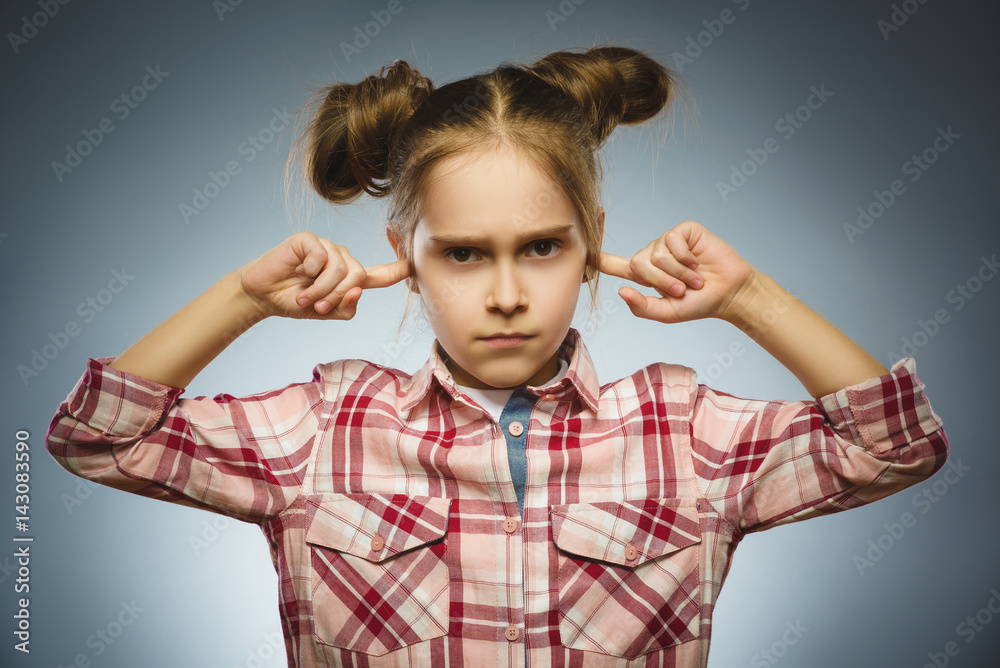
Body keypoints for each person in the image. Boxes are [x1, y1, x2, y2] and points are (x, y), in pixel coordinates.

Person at [46, 46, 949, 667]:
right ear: (407, 252)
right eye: (465, 252)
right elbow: (97, 439)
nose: (507, 294)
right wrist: (242, 298)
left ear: (594, 240)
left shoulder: (686, 434)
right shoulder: (320, 431)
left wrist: (751, 297)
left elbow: (897, 446)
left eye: (544, 248)